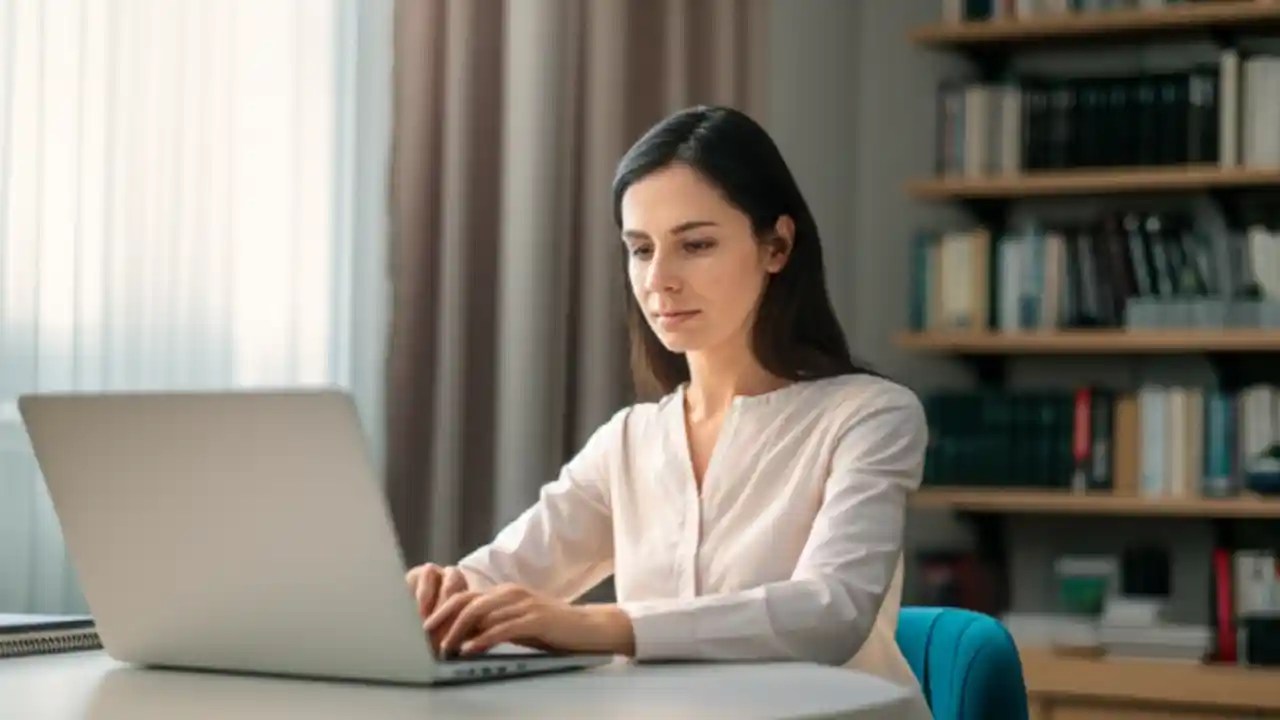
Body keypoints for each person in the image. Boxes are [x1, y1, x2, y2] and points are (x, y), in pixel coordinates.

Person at [405, 105, 932, 719]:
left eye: (696, 245)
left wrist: (604, 625)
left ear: (777, 245)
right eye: (640, 249)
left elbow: (830, 611)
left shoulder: (870, 417)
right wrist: (438, 598)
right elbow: (502, 578)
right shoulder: (630, 441)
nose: (660, 279)